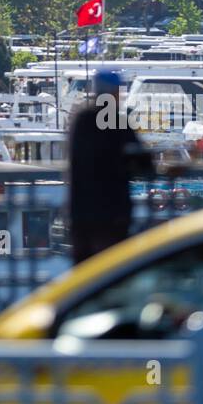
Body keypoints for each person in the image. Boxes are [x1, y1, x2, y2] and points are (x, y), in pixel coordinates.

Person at [67, 68, 154, 265]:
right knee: (111, 270)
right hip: (112, 213)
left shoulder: (80, 120)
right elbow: (142, 163)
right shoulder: (117, 121)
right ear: (115, 93)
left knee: (83, 273)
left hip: (80, 212)